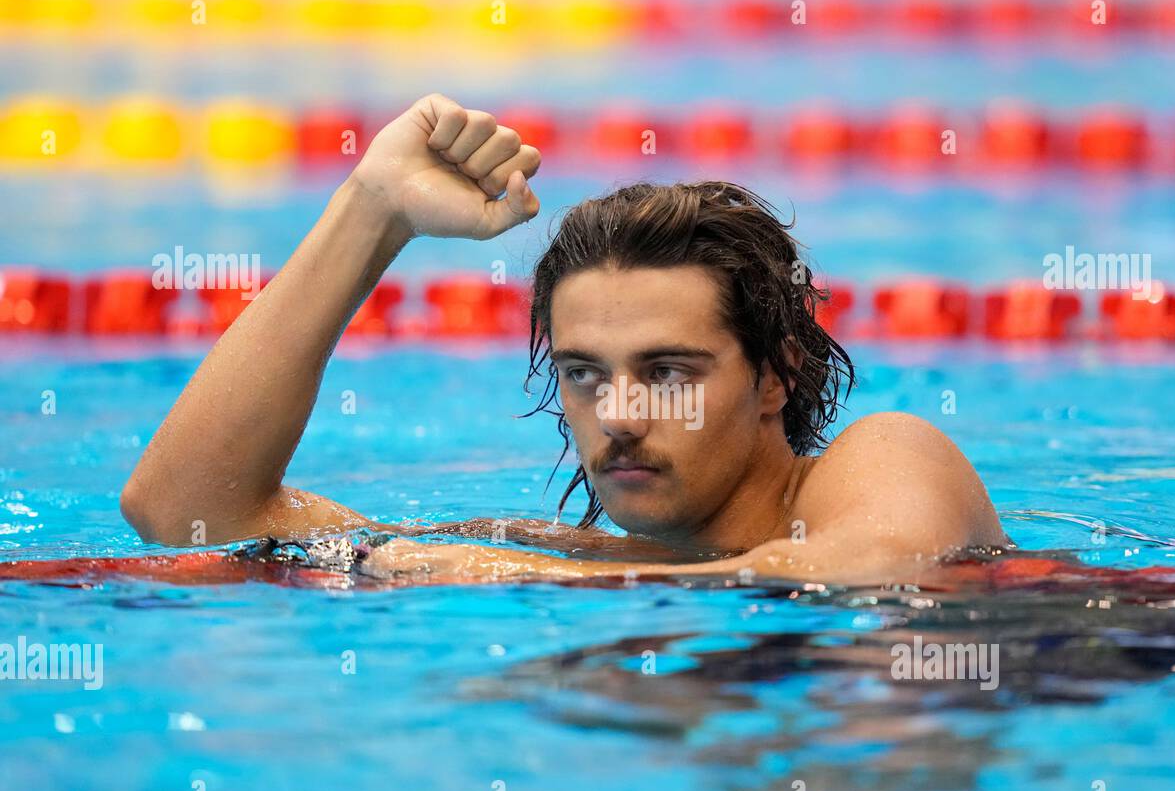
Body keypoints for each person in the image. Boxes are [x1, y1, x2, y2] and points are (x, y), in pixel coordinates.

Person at [120, 93, 1009, 586]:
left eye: (666, 372)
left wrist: (525, 581)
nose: (616, 415)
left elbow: (873, 569)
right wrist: (372, 213)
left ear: (775, 377)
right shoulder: (601, 555)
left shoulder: (882, 458)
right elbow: (186, 512)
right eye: (584, 373)